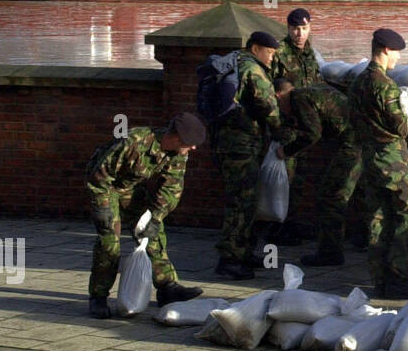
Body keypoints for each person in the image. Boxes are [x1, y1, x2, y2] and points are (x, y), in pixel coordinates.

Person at [85, 112, 207, 318]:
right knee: (109, 242)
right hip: (105, 187)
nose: (193, 148)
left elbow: (171, 188)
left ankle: (167, 288)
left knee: (152, 234)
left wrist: (156, 217)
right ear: (176, 136)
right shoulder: (133, 142)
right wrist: (103, 208)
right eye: (191, 142)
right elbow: (99, 176)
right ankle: (98, 297)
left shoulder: (179, 153)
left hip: (129, 188)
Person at [348, 28, 408, 299]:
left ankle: (379, 281)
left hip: (368, 160)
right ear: (386, 50)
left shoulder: (357, 83)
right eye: (397, 53)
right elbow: (402, 127)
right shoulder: (385, 86)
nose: (399, 59)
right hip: (393, 162)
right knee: (407, 216)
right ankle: (399, 280)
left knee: (377, 220)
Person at [212, 30, 287, 280]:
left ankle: (242, 252)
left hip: (229, 143)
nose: (272, 58)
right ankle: (230, 259)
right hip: (241, 147)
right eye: (270, 52)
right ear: (256, 48)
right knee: (242, 202)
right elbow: (268, 107)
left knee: (242, 200)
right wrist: (284, 134)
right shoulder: (253, 71)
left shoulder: (236, 62)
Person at [275, 81, 361, 267]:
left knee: (330, 197)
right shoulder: (312, 90)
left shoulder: (298, 98)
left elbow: (312, 133)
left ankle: (330, 253)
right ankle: (361, 238)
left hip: (352, 145)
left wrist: (286, 150)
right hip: (360, 141)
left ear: (279, 97)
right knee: (358, 193)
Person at [269, 8, 323, 246]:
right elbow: (272, 91)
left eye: (303, 28)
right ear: (288, 28)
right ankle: (279, 228)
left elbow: (316, 82)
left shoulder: (310, 53)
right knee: (285, 180)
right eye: (294, 29)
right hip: (288, 125)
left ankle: (294, 224)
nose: (299, 33)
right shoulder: (280, 53)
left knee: (301, 180)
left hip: (307, 124)